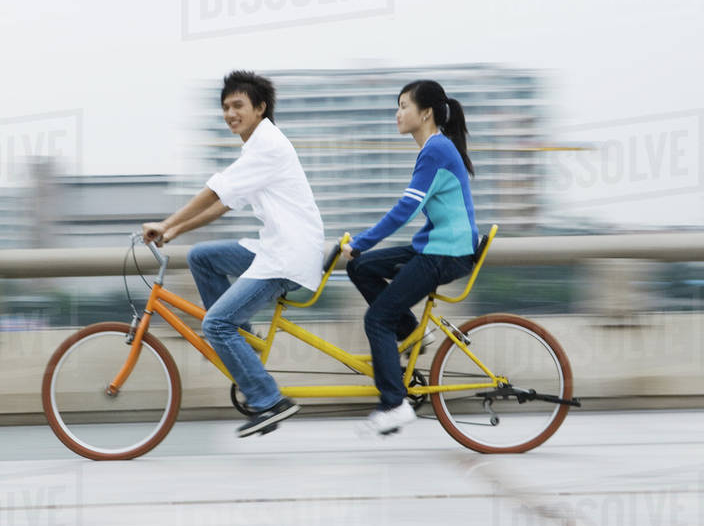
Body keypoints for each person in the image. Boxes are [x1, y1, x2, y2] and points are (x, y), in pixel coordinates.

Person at [142, 71, 325, 437]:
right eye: (225, 107)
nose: (229, 113)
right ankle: (242, 344)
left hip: (287, 256)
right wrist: (177, 231)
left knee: (215, 324)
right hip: (275, 247)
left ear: (260, 108)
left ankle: (270, 400)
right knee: (202, 257)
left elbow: (215, 190)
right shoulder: (256, 147)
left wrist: (166, 222)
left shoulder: (268, 145)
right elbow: (226, 201)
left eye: (238, 105)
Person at [342, 80, 479, 436]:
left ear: (426, 113)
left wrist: (361, 240)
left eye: (404, 105)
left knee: (376, 320)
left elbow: (406, 208)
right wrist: (361, 251)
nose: (398, 113)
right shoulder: (435, 148)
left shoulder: (435, 149)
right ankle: (410, 332)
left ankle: (394, 404)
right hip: (434, 247)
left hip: (446, 253)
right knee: (361, 267)